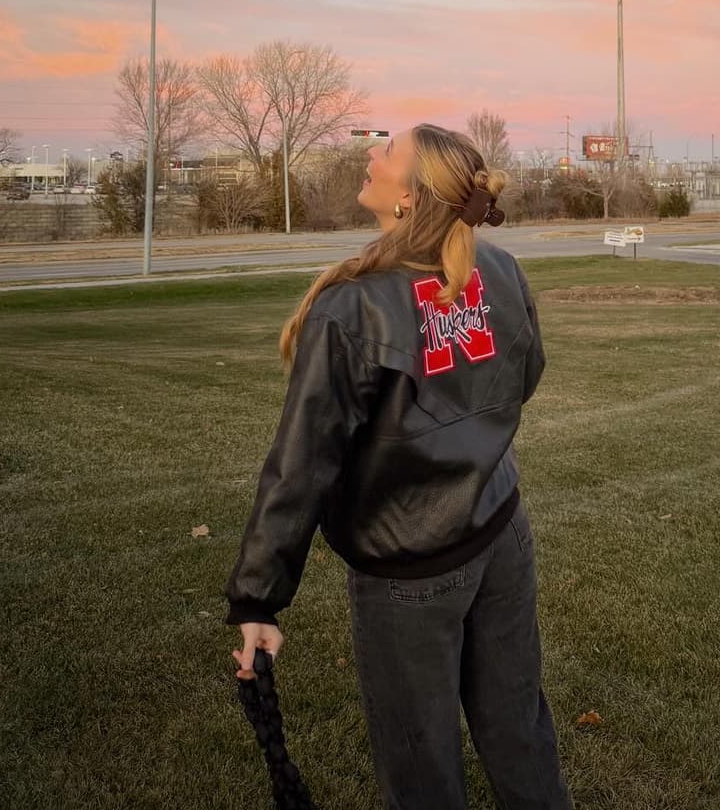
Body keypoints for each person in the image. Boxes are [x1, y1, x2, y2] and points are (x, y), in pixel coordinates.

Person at [225, 124, 573, 809]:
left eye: (386, 151)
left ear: (410, 197)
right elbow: (523, 377)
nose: (370, 156)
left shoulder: (353, 304)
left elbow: (303, 462)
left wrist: (257, 598)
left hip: (412, 569)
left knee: (421, 762)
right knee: (518, 727)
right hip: (502, 530)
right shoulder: (497, 269)